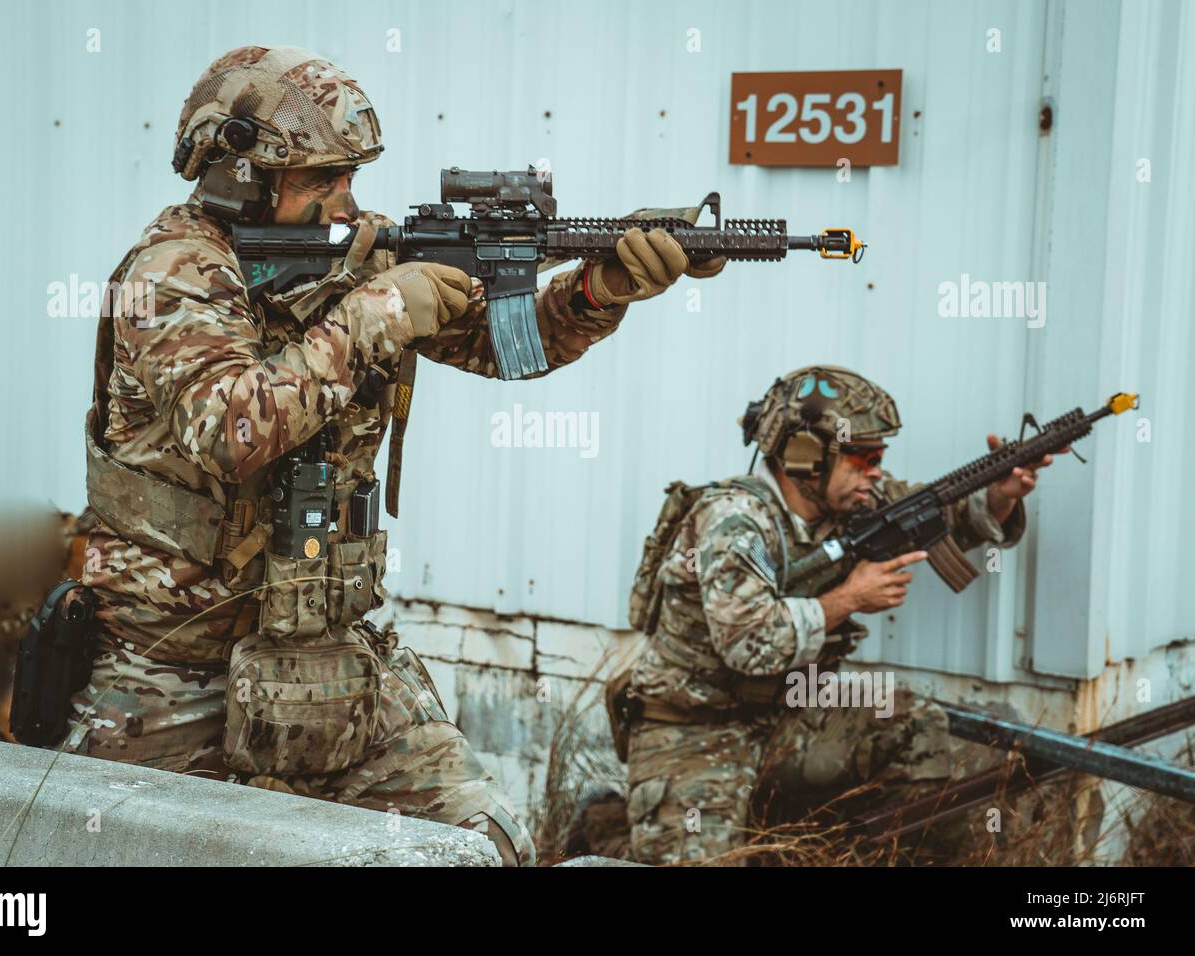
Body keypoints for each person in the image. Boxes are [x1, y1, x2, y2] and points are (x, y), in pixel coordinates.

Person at [65, 45, 724, 866]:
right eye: (321, 180)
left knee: (482, 844)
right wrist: (376, 313)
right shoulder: (172, 274)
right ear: (239, 175)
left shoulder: (359, 255)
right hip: (170, 665)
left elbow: (502, 344)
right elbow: (230, 427)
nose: (348, 200)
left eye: (350, 175)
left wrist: (598, 290)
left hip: (321, 643)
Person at [620, 365, 1054, 864]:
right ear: (806, 458)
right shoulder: (734, 521)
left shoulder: (855, 499)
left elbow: (941, 516)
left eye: (880, 456)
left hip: (788, 715)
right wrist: (849, 598)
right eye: (863, 457)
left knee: (911, 723)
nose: (876, 470)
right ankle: (610, 827)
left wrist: (1000, 495)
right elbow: (749, 645)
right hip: (694, 728)